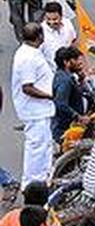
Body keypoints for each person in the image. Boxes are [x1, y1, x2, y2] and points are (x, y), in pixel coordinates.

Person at [13, 24, 56, 187]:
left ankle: (43, 180)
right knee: (37, 148)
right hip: (35, 110)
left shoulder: (31, 52)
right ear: (40, 37)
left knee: (44, 146)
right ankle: (31, 184)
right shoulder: (27, 58)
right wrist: (51, 95)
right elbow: (27, 87)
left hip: (41, 110)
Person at [51, 46, 95, 144]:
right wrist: (79, 117)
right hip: (66, 128)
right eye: (75, 60)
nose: (79, 62)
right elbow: (60, 103)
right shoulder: (65, 80)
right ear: (66, 62)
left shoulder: (67, 77)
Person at [39, 2, 76, 66]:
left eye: (55, 19)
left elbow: (73, 41)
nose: (51, 22)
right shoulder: (40, 32)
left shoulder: (68, 24)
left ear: (61, 17)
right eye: (48, 19)